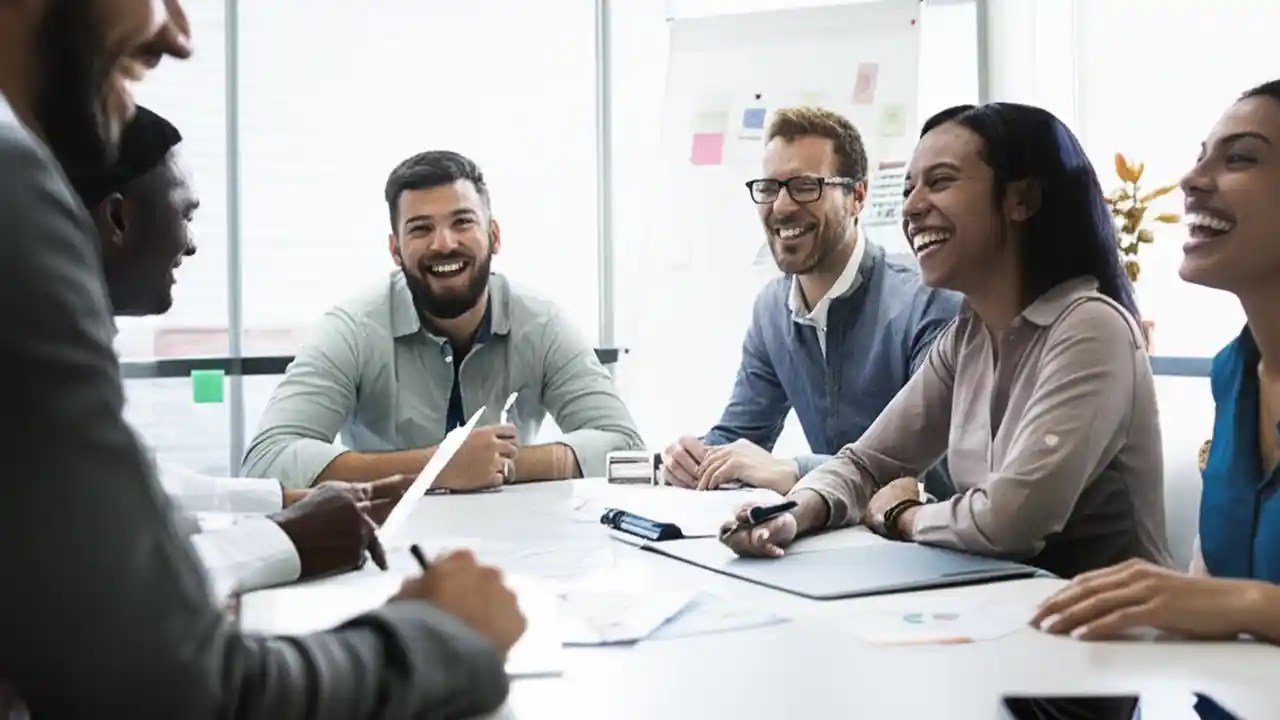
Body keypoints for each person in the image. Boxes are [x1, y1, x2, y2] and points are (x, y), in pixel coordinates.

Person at [0, 1, 524, 716]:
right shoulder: (13, 194)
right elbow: (171, 685)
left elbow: (134, 506)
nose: (177, 31)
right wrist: (438, 633)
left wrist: (284, 517)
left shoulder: (539, 316)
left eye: (462, 223)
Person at [722, 102, 1172, 579]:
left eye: (940, 182)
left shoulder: (1090, 327)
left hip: (1112, 636)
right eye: (910, 187)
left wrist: (903, 515)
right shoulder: (969, 337)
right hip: (1003, 612)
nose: (912, 207)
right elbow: (867, 463)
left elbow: (1011, 520)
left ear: (1022, 199)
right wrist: (791, 513)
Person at [68, 104, 418, 596]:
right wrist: (290, 536)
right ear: (119, 218)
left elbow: (136, 488)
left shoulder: (65, 342)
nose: (190, 245)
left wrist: (290, 499)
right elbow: (99, 581)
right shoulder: (34, 361)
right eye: (185, 214)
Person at [1033, 80, 1280, 643]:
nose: (1192, 181)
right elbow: (1210, 586)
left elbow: (1227, 599)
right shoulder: (1234, 374)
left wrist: (1245, 604)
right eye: (1200, 158)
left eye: (1240, 158)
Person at [242, 150, 644, 490]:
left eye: (462, 222)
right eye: (421, 229)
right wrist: (436, 467)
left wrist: (503, 464)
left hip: (519, 543)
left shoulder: (541, 323)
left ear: (495, 235)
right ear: (395, 250)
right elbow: (267, 461)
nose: (444, 243)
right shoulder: (352, 328)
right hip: (389, 548)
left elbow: (625, 446)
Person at [660, 107, 960, 495]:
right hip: (837, 534)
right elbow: (741, 435)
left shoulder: (928, 301)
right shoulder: (772, 310)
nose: (782, 207)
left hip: (932, 540)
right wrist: (692, 459)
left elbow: (916, 470)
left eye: (804, 186)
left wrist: (792, 470)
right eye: (768, 188)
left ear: (857, 196)